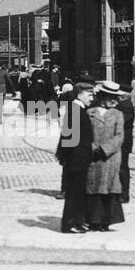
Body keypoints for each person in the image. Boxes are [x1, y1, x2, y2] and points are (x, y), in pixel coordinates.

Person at [56, 83, 96, 233]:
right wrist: (69, 159)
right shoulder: (75, 111)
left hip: (79, 159)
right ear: (80, 94)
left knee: (79, 193)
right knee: (74, 194)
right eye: (89, 94)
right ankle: (69, 224)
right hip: (76, 160)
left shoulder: (78, 109)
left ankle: (77, 221)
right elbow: (68, 138)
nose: (92, 98)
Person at [85, 83, 126, 232]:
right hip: (93, 157)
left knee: (108, 188)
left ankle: (106, 221)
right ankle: (93, 220)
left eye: (116, 97)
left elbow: (120, 136)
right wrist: (92, 149)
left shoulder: (117, 114)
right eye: (112, 97)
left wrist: (104, 149)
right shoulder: (89, 113)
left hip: (110, 158)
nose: (115, 100)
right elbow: (85, 135)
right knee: (93, 188)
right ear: (103, 97)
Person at [113, 81, 135, 203]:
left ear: (123, 94)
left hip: (124, 142)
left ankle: (124, 194)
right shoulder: (123, 104)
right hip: (122, 141)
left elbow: (121, 122)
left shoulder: (126, 106)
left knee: (122, 168)